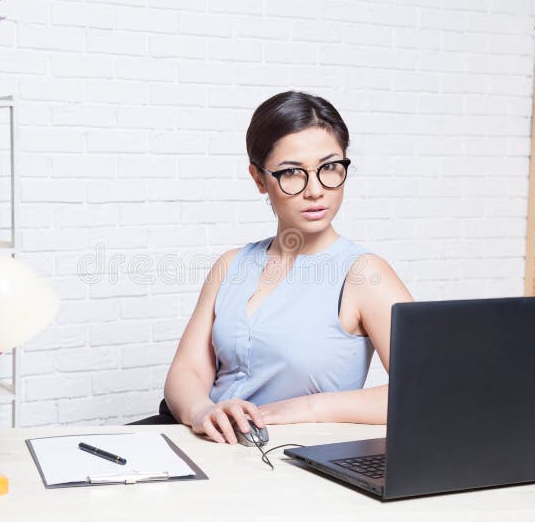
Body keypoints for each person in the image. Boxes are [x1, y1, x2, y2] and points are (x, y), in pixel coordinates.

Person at [146, 91, 413, 443]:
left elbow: (425, 389)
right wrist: (201, 411)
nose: (315, 190)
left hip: (286, 457)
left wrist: (307, 409)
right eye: (291, 173)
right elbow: (189, 370)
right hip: (204, 443)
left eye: (330, 167)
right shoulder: (232, 265)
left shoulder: (365, 275)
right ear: (259, 179)